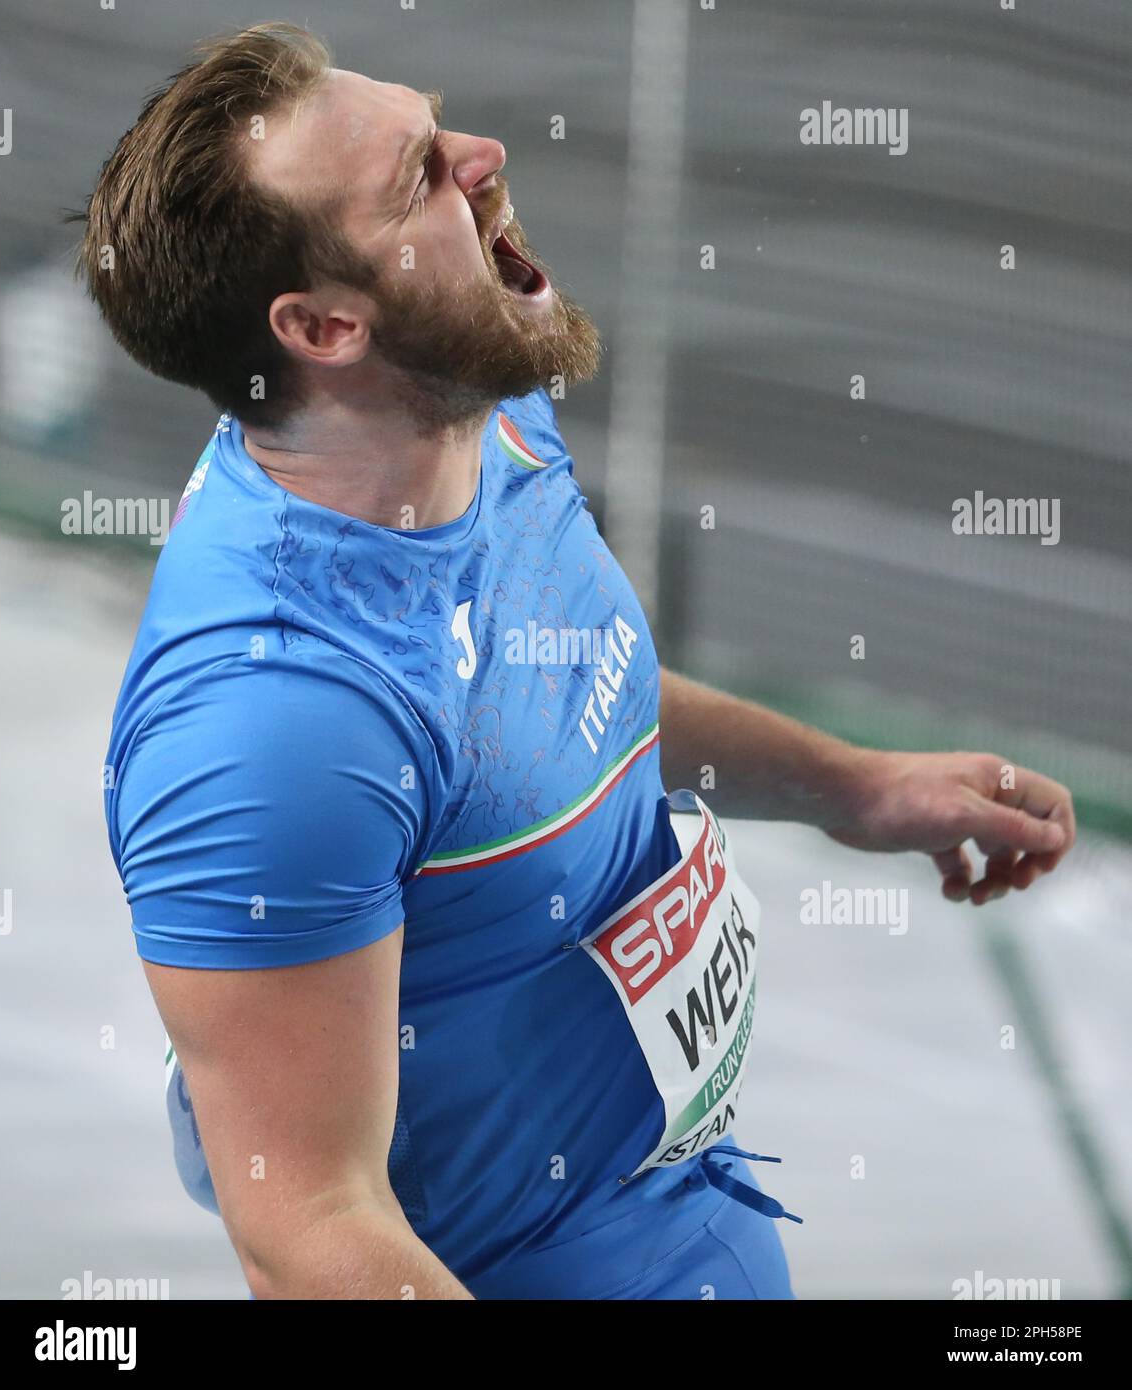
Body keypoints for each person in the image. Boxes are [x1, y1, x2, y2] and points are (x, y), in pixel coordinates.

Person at [75, 24, 1076, 1300]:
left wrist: (850, 785)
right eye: (419, 177)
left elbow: (545, 698)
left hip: (684, 1209)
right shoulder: (273, 729)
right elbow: (308, 1225)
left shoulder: (476, 406)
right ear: (326, 326)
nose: (484, 156)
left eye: (437, 122)